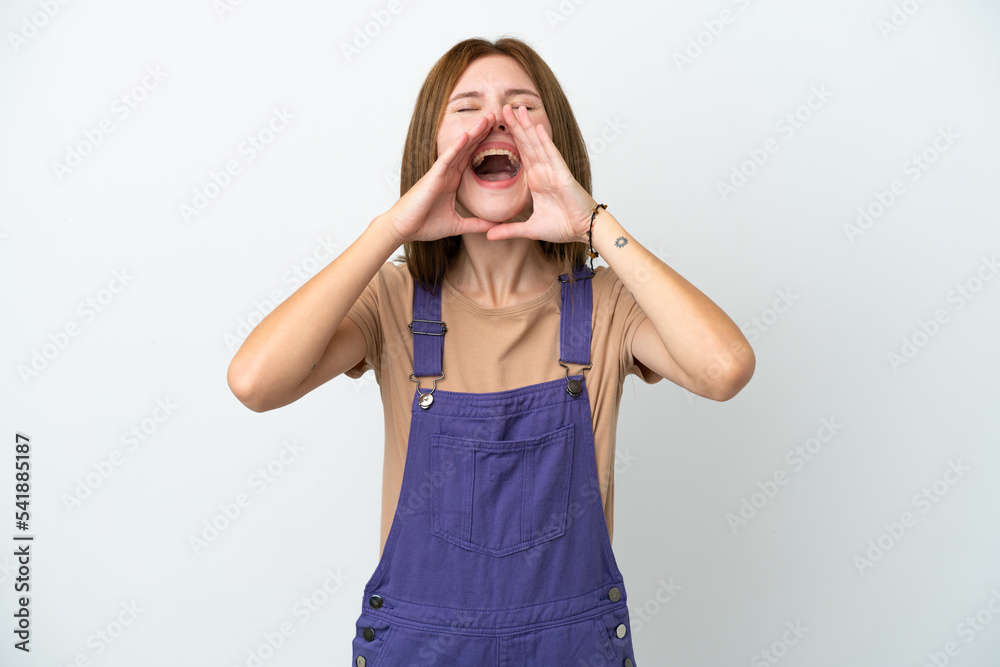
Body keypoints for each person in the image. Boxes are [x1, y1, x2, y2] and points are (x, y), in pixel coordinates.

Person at [228, 36, 754, 665]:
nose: (497, 120)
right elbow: (254, 382)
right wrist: (391, 229)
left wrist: (594, 223)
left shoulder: (608, 304)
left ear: (555, 145)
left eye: (522, 106)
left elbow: (725, 369)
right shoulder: (394, 300)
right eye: (468, 107)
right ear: (434, 147)